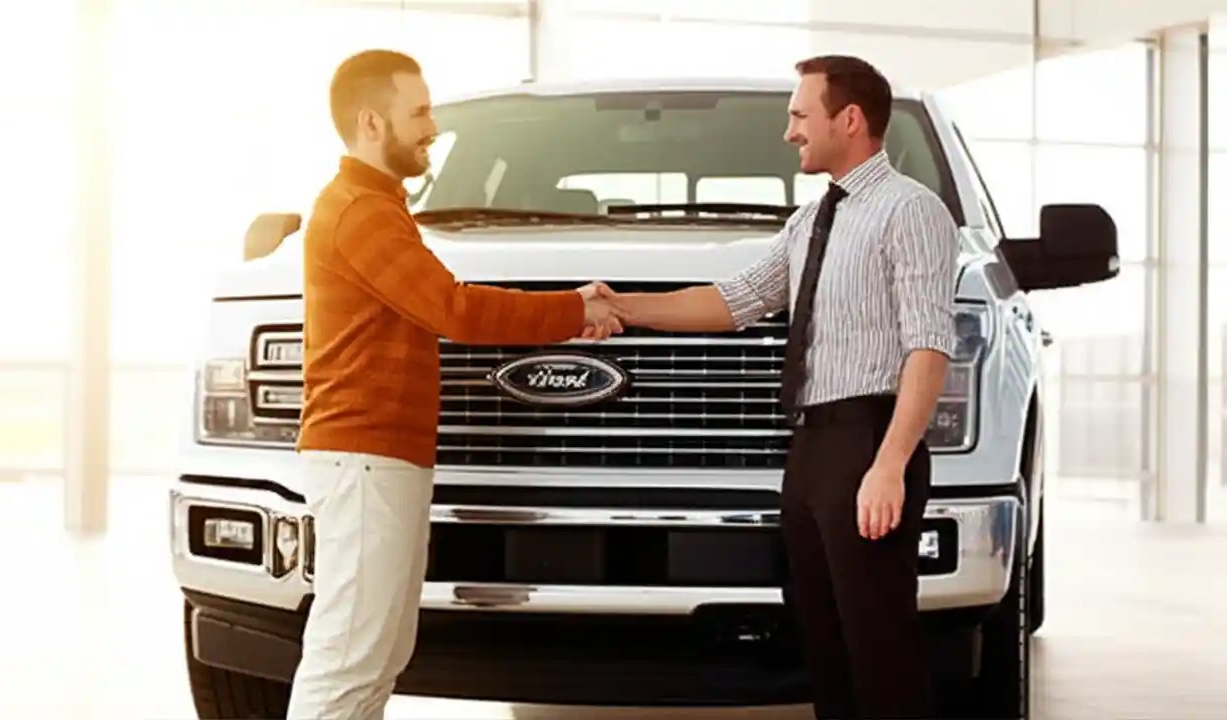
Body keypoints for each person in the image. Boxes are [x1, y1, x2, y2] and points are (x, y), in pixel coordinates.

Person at [596, 55, 958, 719]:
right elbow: (736, 300)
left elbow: (929, 346)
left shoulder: (911, 211)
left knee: (880, 647)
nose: (789, 131)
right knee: (826, 645)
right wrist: (623, 306)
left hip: (871, 440)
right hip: (813, 449)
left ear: (848, 120)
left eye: (799, 115)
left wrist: (889, 465)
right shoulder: (811, 221)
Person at [287, 49, 621, 720]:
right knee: (350, 655)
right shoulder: (360, 211)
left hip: (383, 459)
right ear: (371, 123)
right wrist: (575, 307)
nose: (431, 127)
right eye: (419, 112)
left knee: (378, 651)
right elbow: (455, 309)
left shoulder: (378, 208)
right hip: (363, 461)